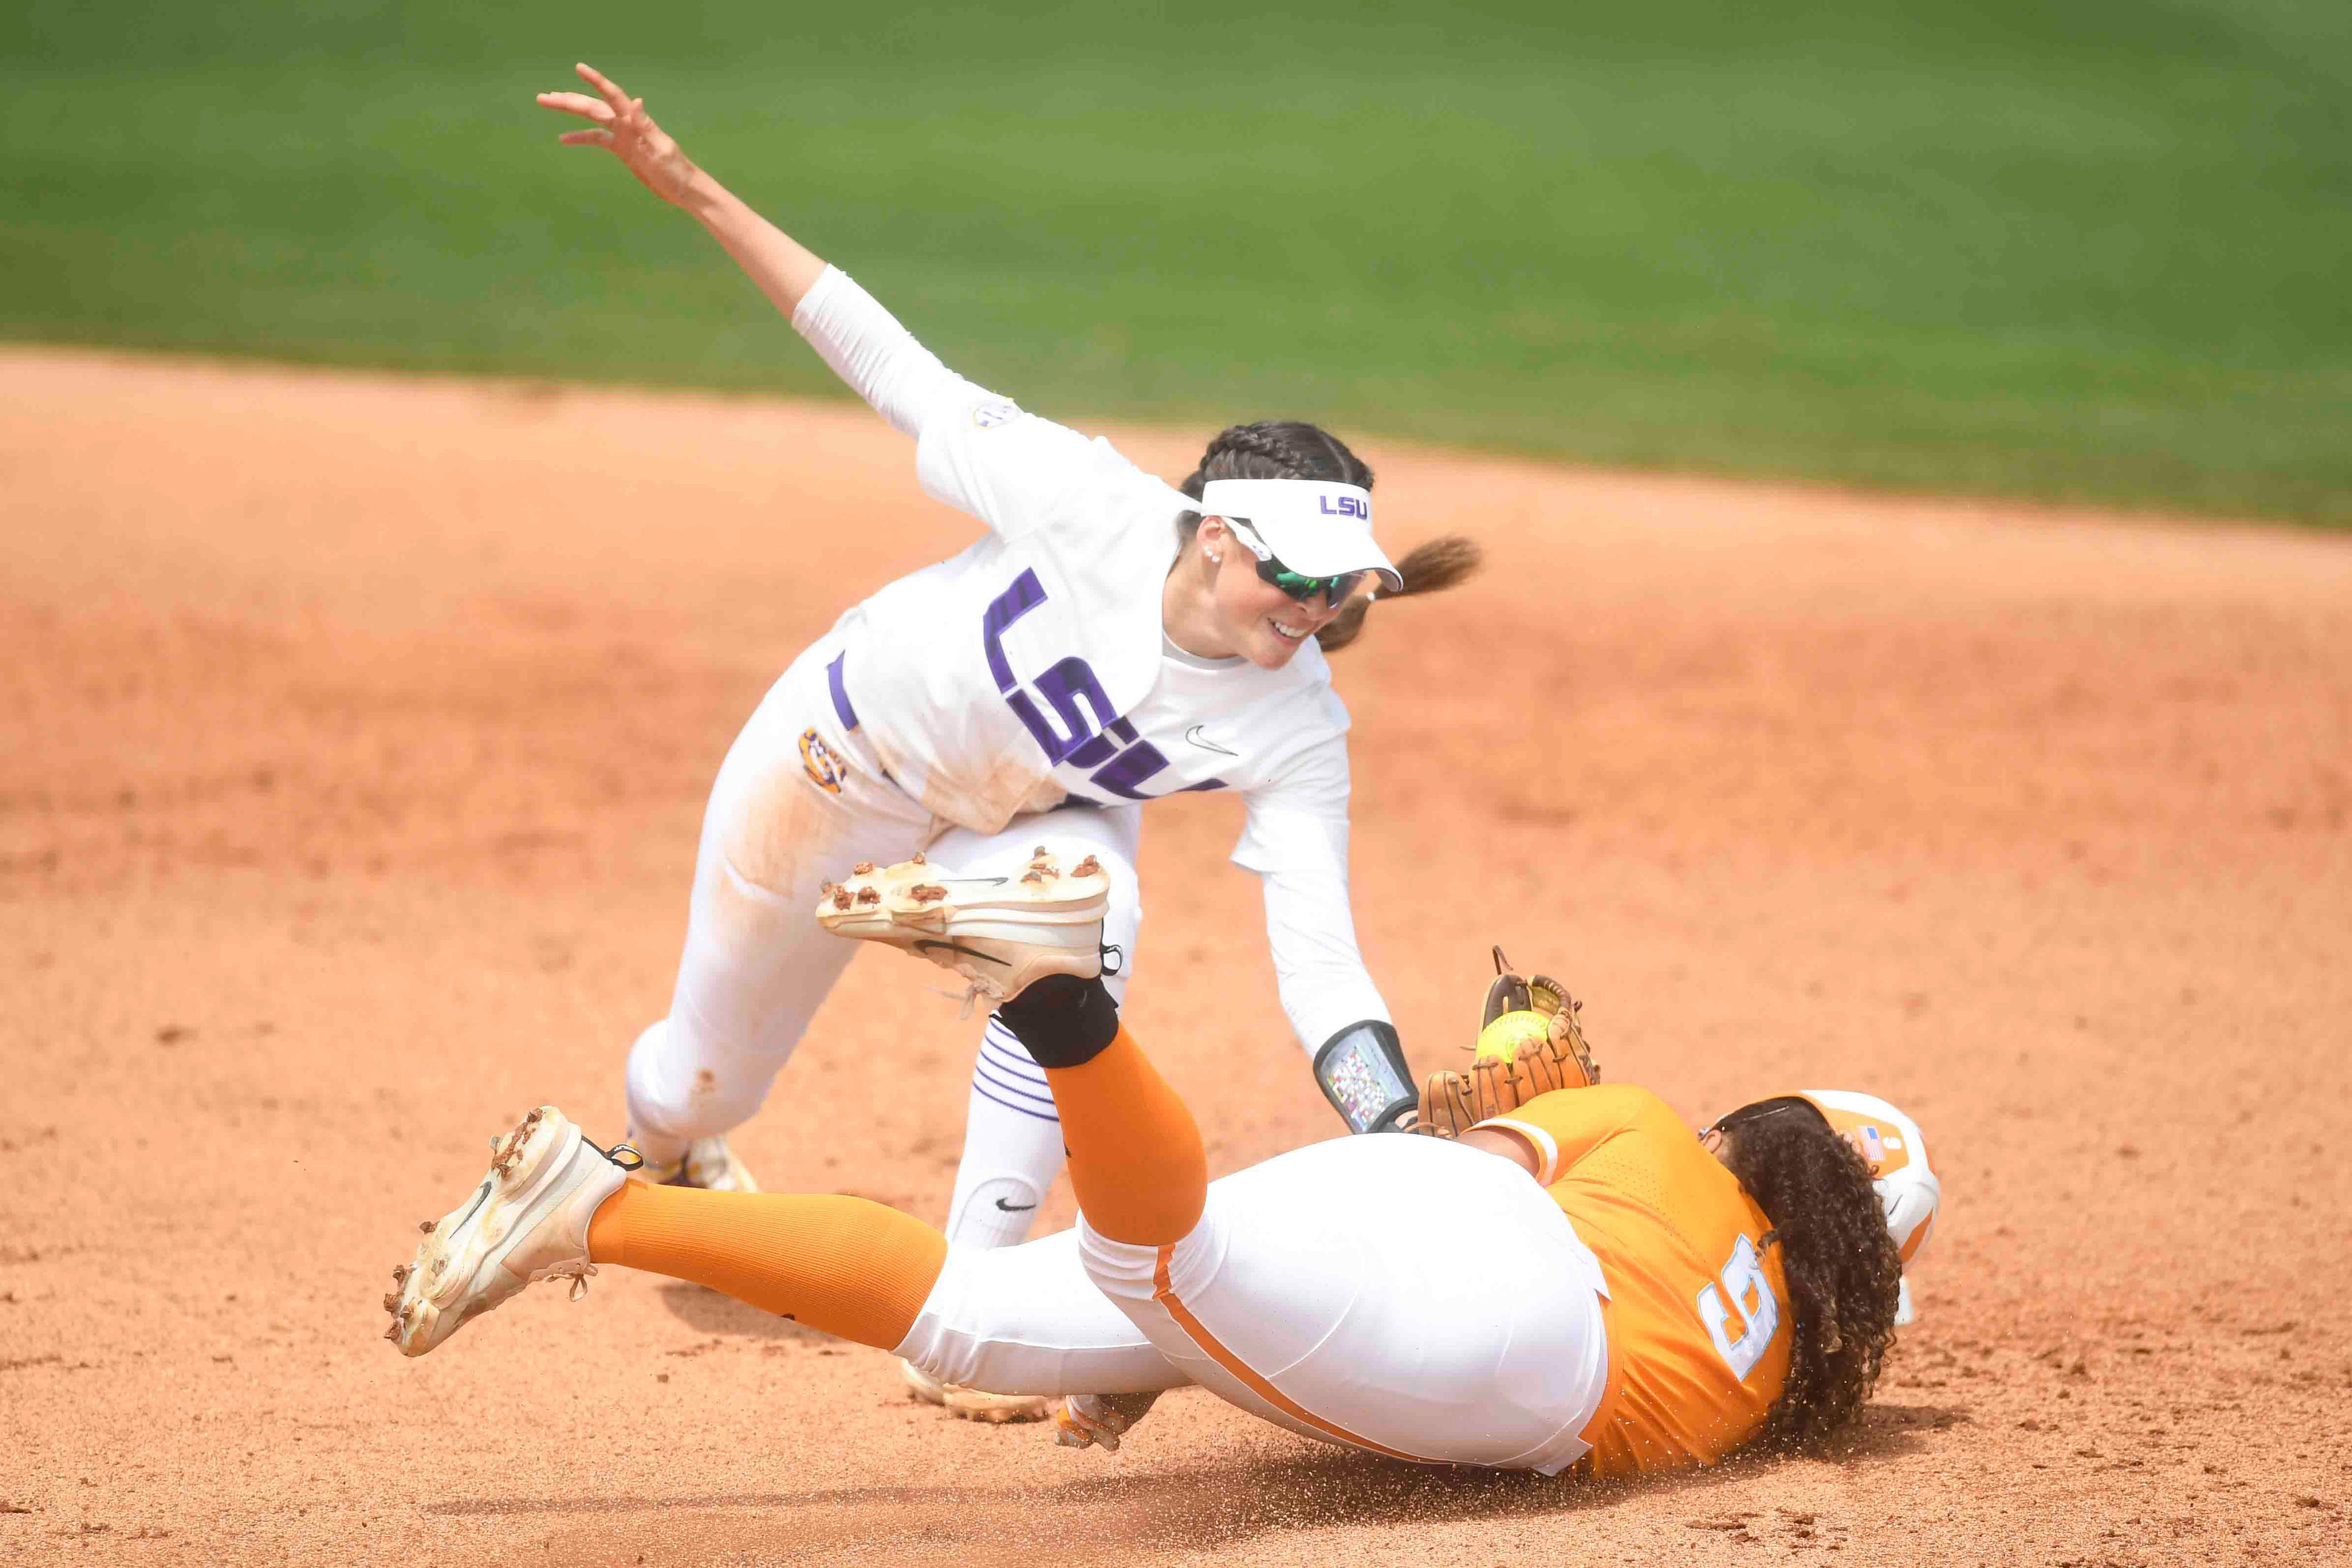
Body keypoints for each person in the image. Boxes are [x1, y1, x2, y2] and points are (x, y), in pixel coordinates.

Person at [527, 65, 1475, 1416]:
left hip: (1025, 813)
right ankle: (666, 1149)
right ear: (1218, 537)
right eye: (1297, 583)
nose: (1317, 616)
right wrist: (687, 184)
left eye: (1340, 593)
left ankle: (963, 1301)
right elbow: (883, 356)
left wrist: (1393, 1125)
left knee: (1090, 915)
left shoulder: (1298, 718)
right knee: (700, 1072)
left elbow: (1322, 960)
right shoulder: (1080, 498)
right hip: (839, 754)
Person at [384, 862, 1933, 1475]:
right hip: (1535, 1360)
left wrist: (1188, 1367)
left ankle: (599, 1205)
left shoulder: (1650, 1127)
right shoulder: (1789, 1359)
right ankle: (1063, 1001)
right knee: (1166, 1266)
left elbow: (1437, 1162)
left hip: (1455, 1205)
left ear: (1763, 1137)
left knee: (980, 1319)